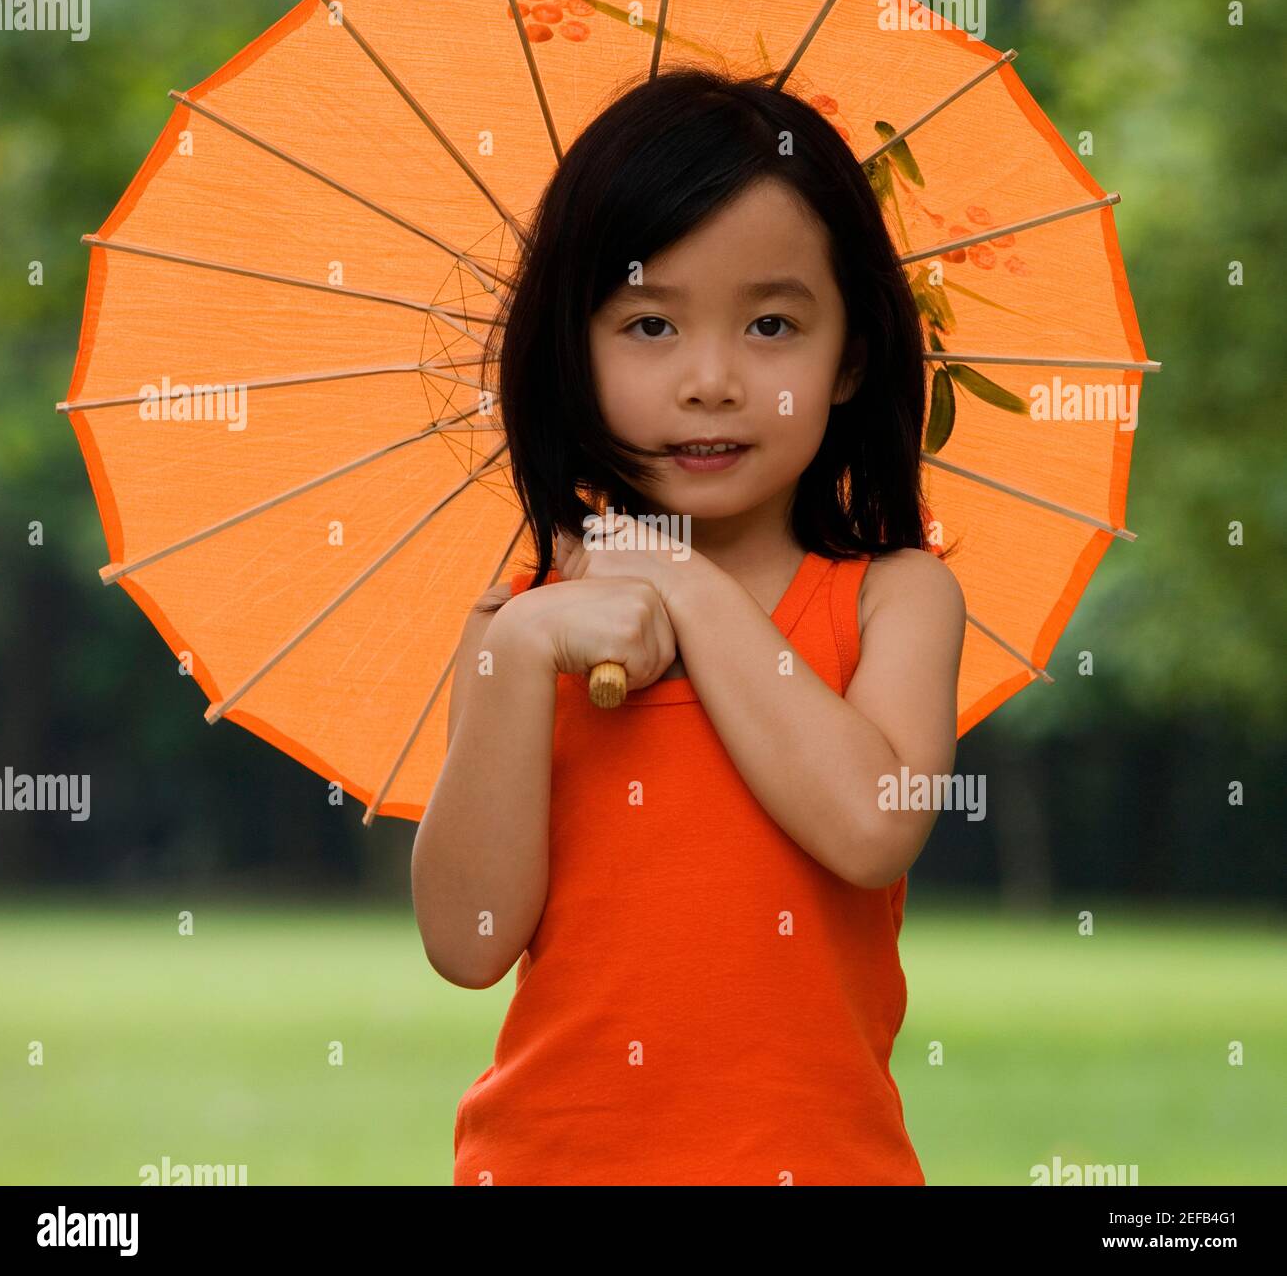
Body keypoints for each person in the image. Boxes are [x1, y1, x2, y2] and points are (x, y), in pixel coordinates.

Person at [412, 66, 966, 1185]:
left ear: (849, 355)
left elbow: (871, 826)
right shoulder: (530, 626)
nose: (710, 380)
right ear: (573, 351)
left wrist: (686, 582)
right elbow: (468, 941)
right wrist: (517, 651)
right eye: (649, 323)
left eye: (771, 323)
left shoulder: (895, 597)